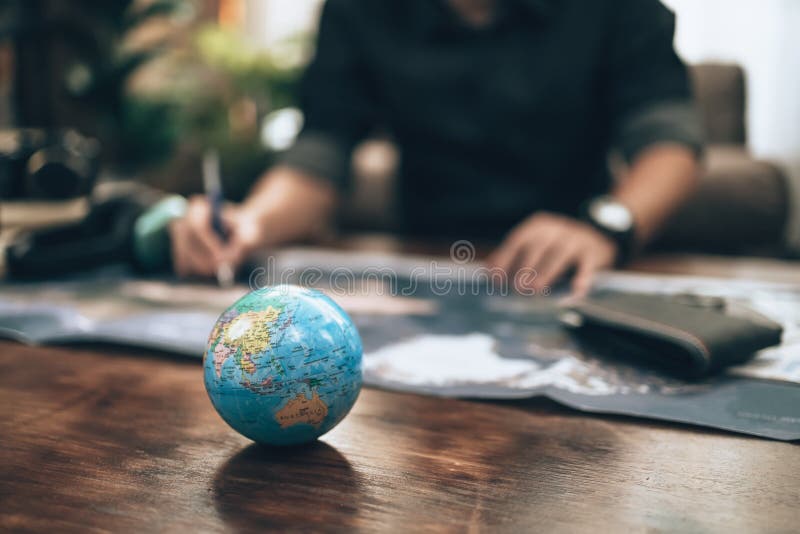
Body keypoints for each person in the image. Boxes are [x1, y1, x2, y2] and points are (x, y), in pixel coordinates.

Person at [170, 0, 702, 294]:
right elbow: (322, 147)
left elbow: (670, 139)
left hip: (569, 271)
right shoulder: (358, 11)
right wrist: (252, 223)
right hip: (427, 264)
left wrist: (606, 225)